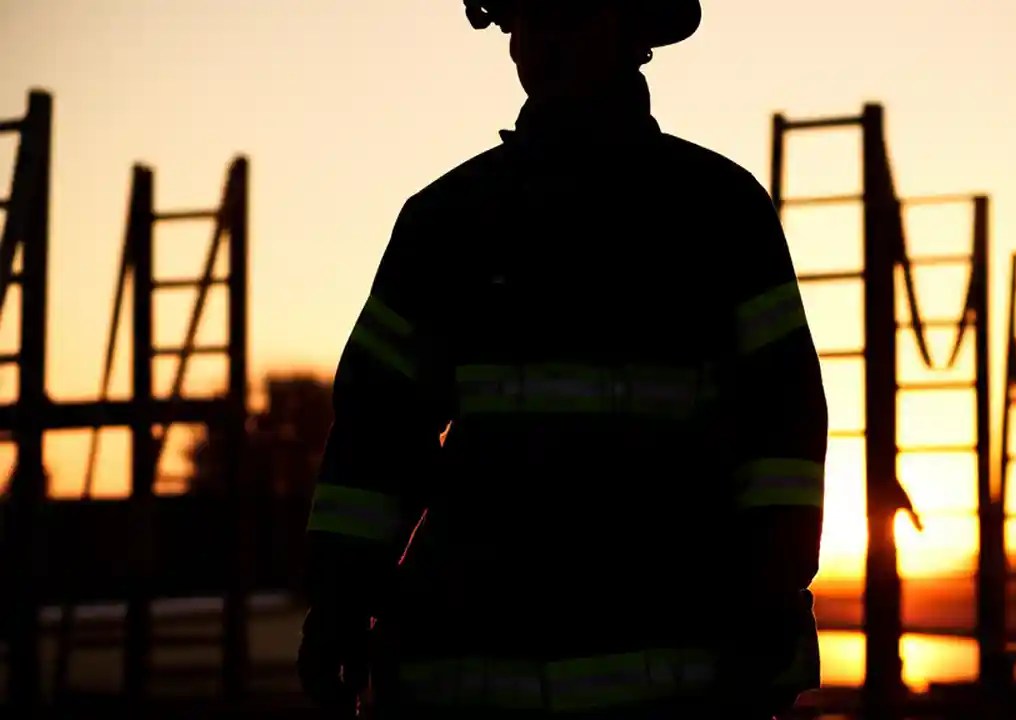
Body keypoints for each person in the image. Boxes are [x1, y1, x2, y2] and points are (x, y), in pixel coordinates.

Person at [296, 1, 829, 717]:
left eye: (569, 12)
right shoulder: (446, 222)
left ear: (631, 33)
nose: (540, 38)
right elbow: (375, 439)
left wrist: (771, 590)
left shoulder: (720, 216)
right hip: (489, 667)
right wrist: (337, 603)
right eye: (526, 15)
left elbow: (783, 430)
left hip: (663, 665)